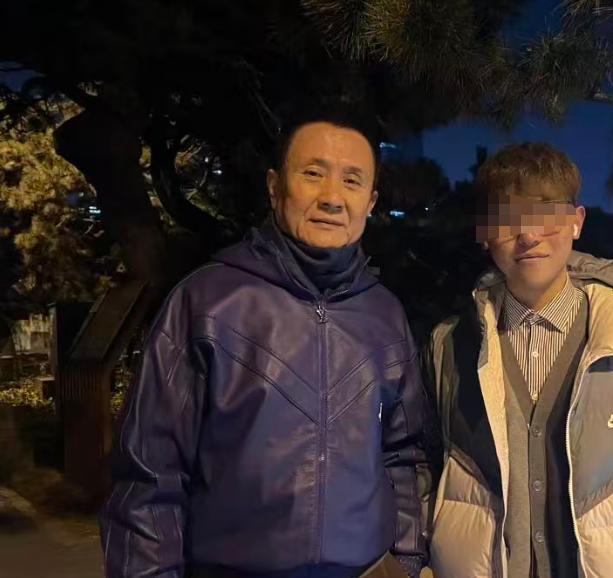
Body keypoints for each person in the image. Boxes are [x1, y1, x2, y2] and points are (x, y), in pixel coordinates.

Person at [100, 107, 428, 578]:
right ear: (275, 186)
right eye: (313, 173)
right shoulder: (209, 301)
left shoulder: (384, 315)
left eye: (352, 181)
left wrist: (406, 561)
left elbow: (404, 453)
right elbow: (149, 475)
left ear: (370, 201)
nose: (332, 198)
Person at [423, 143, 613, 578]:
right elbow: (425, 458)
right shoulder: (449, 345)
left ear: (576, 221)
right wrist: (439, 544)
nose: (528, 236)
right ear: (485, 233)